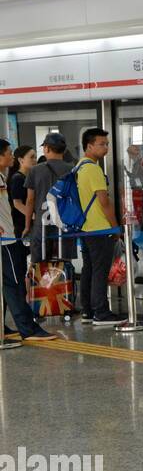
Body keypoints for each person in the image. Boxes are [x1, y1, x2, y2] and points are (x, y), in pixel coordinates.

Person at [0, 140, 54, 342]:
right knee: (14, 285)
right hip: (5, 242)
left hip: (8, 238)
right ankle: (28, 329)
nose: (11, 156)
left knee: (6, 285)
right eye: (9, 153)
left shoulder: (3, 177)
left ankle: (2, 326)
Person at [74, 128, 124, 327]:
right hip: (100, 228)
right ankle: (101, 312)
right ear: (89, 146)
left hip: (85, 228)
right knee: (99, 272)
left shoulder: (79, 167)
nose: (106, 148)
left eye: (107, 144)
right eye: (102, 144)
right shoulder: (93, 169)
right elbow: (104, 202)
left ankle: (87, 310)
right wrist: (115, 228)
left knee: (89, 269)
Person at [24, 133, 75, 269]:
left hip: (41, 227)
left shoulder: (35, 170)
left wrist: (27, 226)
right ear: (63, 150)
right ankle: (64, 290)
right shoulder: (72, 170)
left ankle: (42, 291)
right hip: (64, 226)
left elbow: (30, 200)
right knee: (63, 266)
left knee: (40, 268)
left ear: (46, 149)